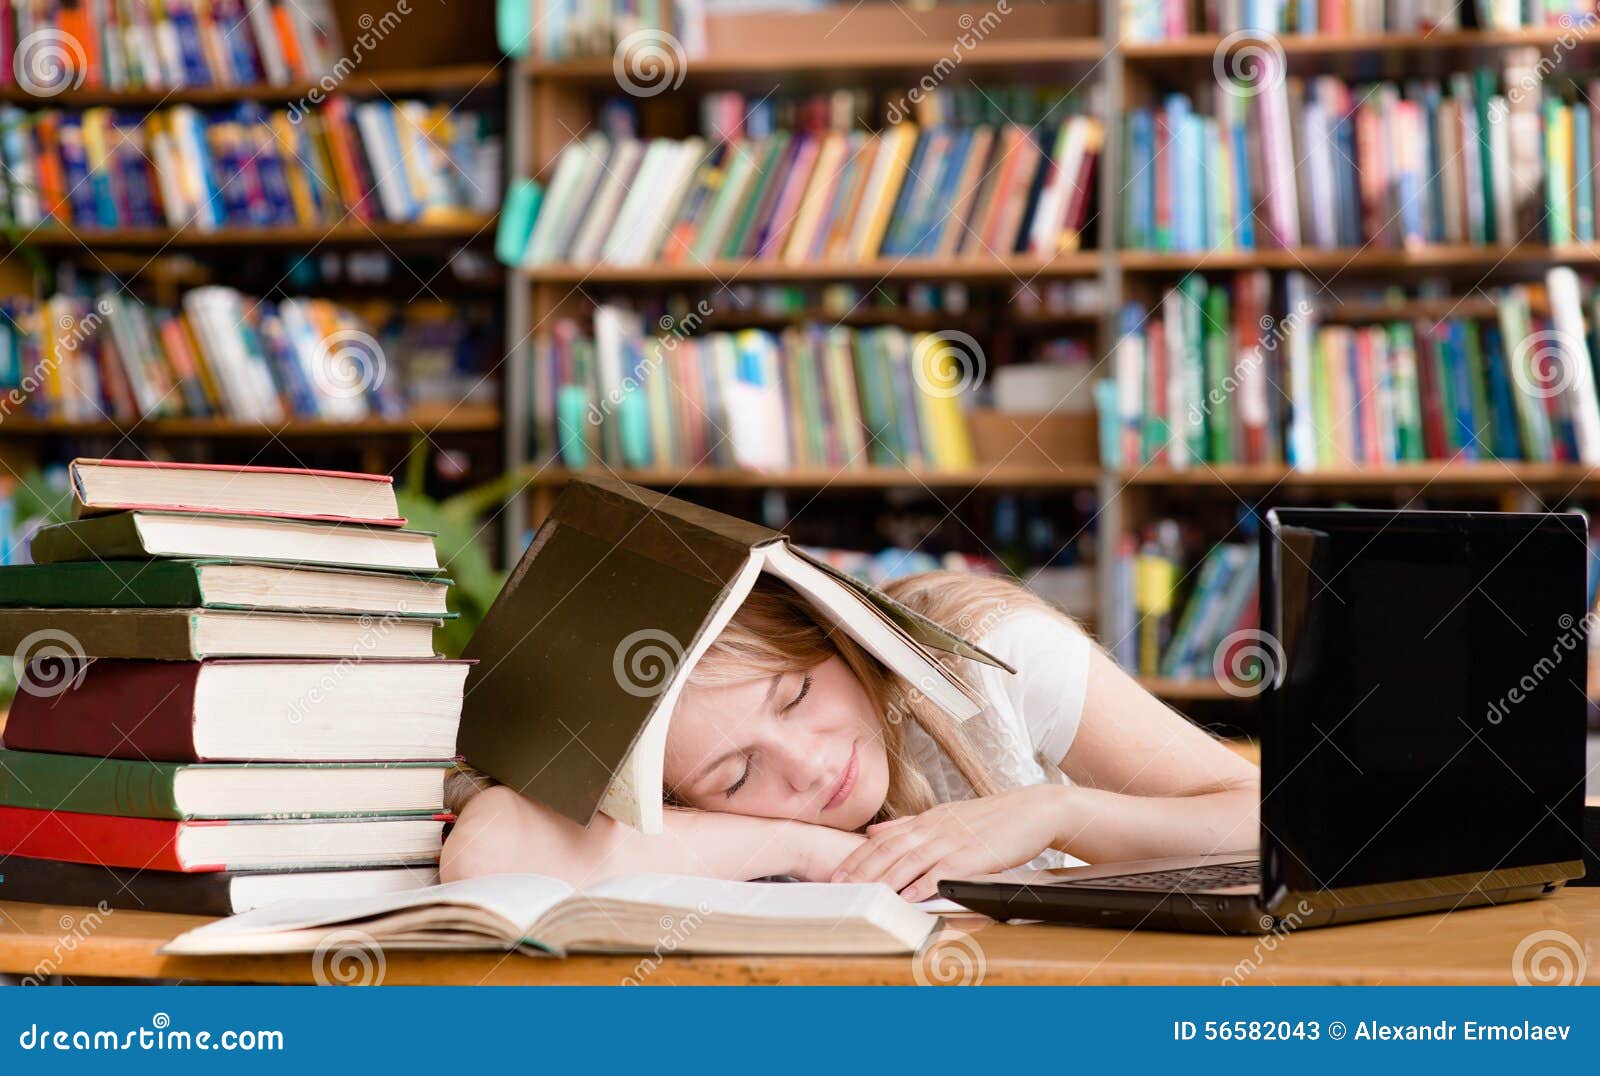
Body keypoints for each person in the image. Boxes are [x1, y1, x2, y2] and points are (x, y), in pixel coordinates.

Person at [442, 570, 1259, 902]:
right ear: (676, 797)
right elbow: (489, 853)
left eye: (795, 695)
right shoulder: (679, 808)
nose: (810, 767)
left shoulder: (993, 654)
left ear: (833, 632)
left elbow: (1275, 821)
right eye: (734, 775)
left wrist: (1057, 814)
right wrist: (806, 851)